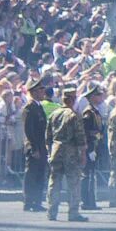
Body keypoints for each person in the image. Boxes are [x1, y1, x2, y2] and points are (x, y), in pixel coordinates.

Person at [45, 85, 88, 222]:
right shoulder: (74, 115)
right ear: (72, 99)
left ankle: (51, 212)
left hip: (56, 150)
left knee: (54, 182)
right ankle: (73, 212)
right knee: (73, 182)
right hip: (71, 152)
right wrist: (83, 153)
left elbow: (48, 136)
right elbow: (80, 136)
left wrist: (50, 151)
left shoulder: (54, 114)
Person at [22, 80, 54, 212]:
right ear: (34, 92)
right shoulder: (29, 108)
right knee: (31, 174)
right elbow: (28, 131)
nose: (43, 92)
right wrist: (33, 148)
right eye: (40, 90)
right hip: (34, 147)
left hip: (41, 146)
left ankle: (36, 201)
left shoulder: (39, 107)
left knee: (40, 174)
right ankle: (28, 201)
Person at [77, 84, 107, 211]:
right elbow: (85, 132)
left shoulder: (95, 111)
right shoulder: (88, 113)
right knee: (87, 175)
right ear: (92, 97)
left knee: (91, 174)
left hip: (95, 147)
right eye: (98, 95)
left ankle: (91, 201)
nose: (101, 97)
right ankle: (86, 201)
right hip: (90, 147)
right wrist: (89, 150)